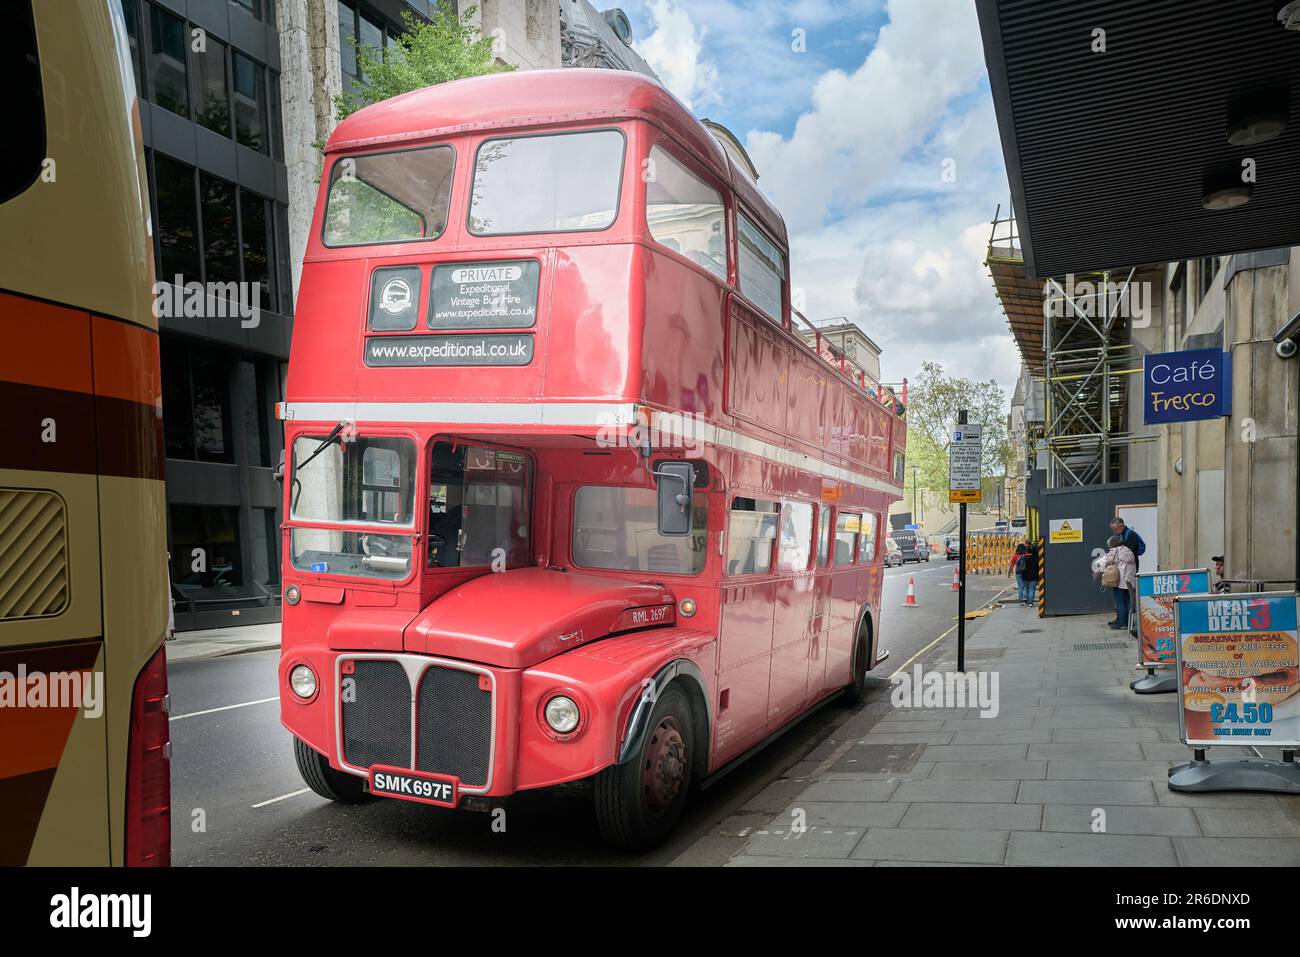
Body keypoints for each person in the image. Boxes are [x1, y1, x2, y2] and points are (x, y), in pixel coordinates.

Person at [1099, 534, 1137, 630]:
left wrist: (1098, 565)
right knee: (1128, 602)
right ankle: (1128, 622)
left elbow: (1103, 561)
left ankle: (1122, 623)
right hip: (1130, 582)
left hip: (1120, 581)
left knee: (1120, 602)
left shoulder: (1115, 551)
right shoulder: (1128, 551)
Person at [1020, 539, 1039, 606]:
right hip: (1034, 575)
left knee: (1026, 589)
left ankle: (1027, 601)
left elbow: (1020, 565)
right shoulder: (1035, 556)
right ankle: (1031, 603)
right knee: (1032, 590)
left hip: (1025, 575)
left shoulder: (1023, 555)